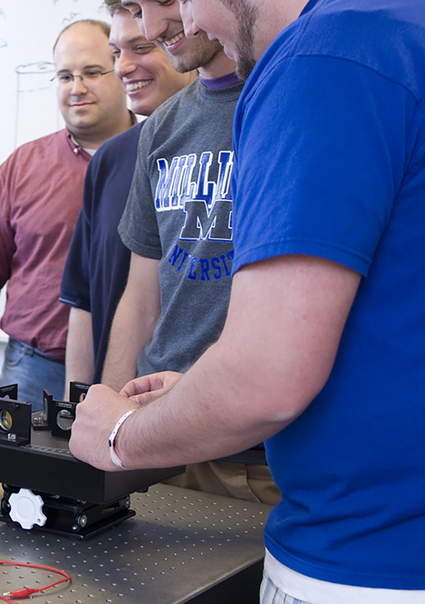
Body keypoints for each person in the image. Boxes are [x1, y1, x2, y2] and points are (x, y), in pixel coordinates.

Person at [71, 0, 425, 600]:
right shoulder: (396, 32)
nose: (168, 25)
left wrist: (118, 436)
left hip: (357, 550)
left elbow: (268, 378)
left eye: (176, 0)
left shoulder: (322, 59)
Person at [94, 0, 277, 505]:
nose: (153, 27)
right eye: (136, 9)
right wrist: (110, 414)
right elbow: (141, 297)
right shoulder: (161, 128)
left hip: (263, 453)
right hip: (159, 440)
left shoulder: (289, 102)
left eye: (167, 1)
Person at [0, 20, 132, 411]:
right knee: (20, 474)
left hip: (133, 369)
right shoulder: (24, 165)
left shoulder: (158, 156)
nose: (76, 88)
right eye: (65, 76)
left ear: (122, 67)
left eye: (92, 72)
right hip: (32, 369)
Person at [60, 0, 197, 390]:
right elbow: (83, 301)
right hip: (118, 411)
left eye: (141, 47)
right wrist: (80, 407)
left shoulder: (238, 135)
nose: (122, 67)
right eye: (117, 53)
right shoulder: (110, 159)